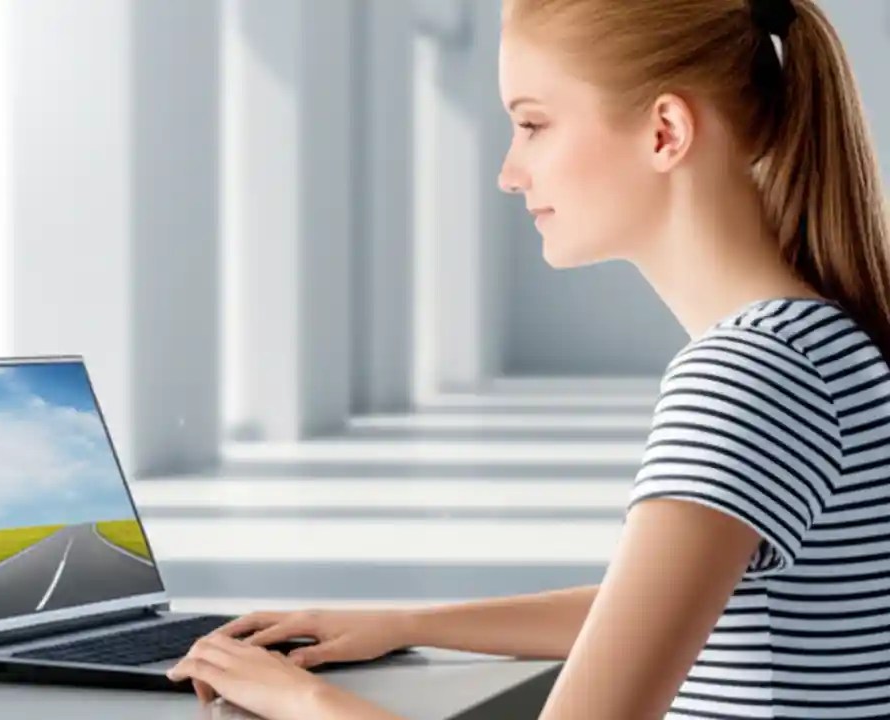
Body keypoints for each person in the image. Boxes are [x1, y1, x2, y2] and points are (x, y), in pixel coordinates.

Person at [167, 0, 890, 717]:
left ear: (665, 132)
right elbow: (674, 610)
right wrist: (409, 624)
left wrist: (298, 698)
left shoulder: (747, 378)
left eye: (533, 125)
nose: (509, 173)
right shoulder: (823, 345)